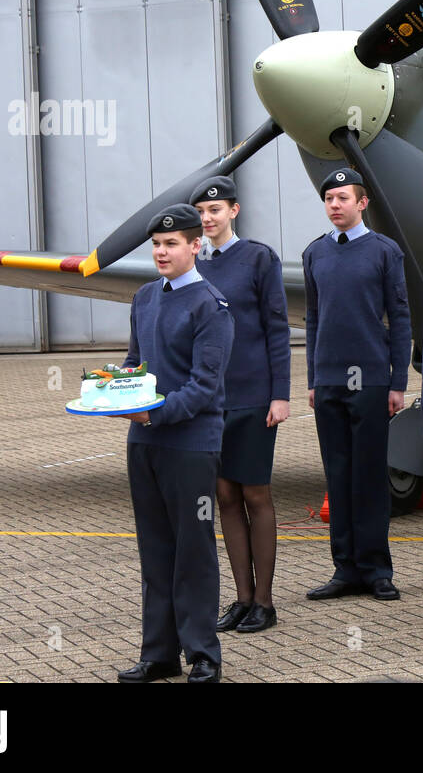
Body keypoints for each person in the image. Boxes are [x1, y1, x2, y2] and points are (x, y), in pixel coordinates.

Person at [115, 203, 233, 683]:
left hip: (190, 443)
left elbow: (205, 386)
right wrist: (113, 386)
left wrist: (155, 413)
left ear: (195, 246)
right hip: (144, 442)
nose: (161, 252)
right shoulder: (144, 298)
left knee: (194, 550)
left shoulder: (212, 306)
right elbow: (134, 361)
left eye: (171, 244)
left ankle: (203, 653)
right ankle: (159, 654)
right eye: (157, 245)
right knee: (155, 549)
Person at [302, 168, 411, 602]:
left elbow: (401, 319)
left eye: (343, 198)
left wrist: (397, 381)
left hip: (369, 381)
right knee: (339, 476)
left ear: (362, 203)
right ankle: (344, 569)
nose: (334, 205)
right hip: (328, 382)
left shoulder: (385, 252)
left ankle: (376, 569)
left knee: (368, 477)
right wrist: (313, 378)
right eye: (329, 198)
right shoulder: (314, 254)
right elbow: (312, 320)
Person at [189, 176, 291, 634]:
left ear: (234, 211)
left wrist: (280, 394)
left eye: (216, 210)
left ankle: (265, 602)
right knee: (224, 496)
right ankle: (242, 598)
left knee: (255, 493)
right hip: (210, 399)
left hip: (253, 396)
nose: (209, 218)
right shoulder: (192, 264)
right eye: (202, 212)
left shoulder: (258, 257)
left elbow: (277, 328)